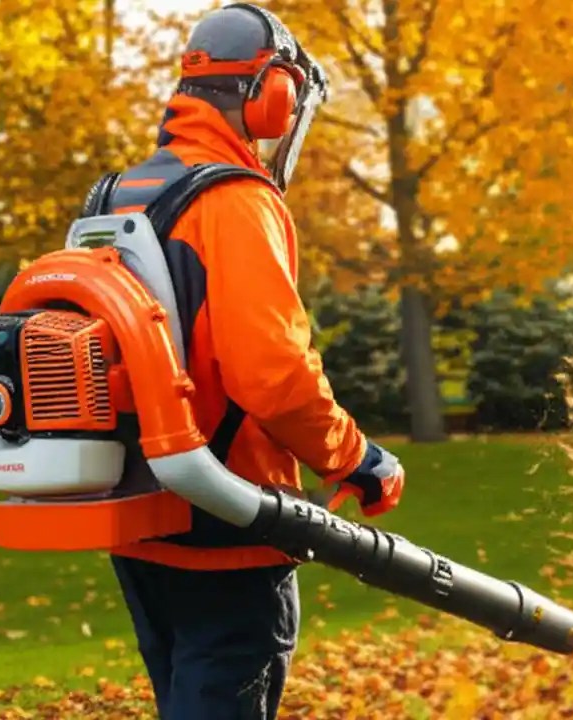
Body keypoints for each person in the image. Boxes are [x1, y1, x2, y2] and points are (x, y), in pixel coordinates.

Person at [82, 4, 406, 718]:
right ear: (272, 94)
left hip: (139, 512)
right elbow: (273, 373)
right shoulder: (233, 200)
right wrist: (356, 459)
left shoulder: (117, 194)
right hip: (228, 517)